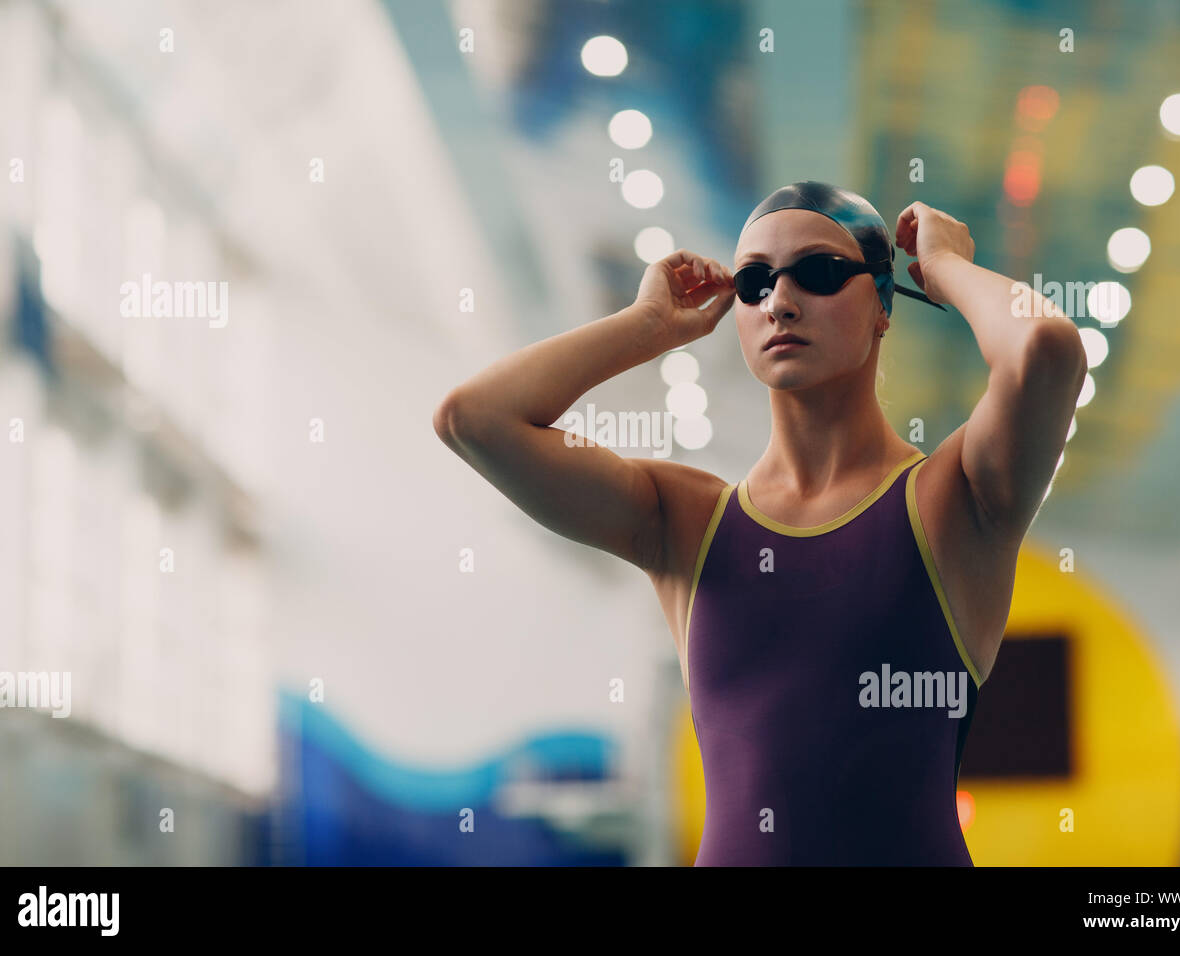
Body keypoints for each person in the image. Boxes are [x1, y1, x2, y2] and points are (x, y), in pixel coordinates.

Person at [433, 181, 1086, 865]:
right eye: (753, 282)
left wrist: (946, 266)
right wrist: (648, 325)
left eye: (821, 273)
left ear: (883, 307)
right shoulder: (684, 524)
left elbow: (1045, 347)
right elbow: (473, 420)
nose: (779, 301)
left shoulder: (952, 503)